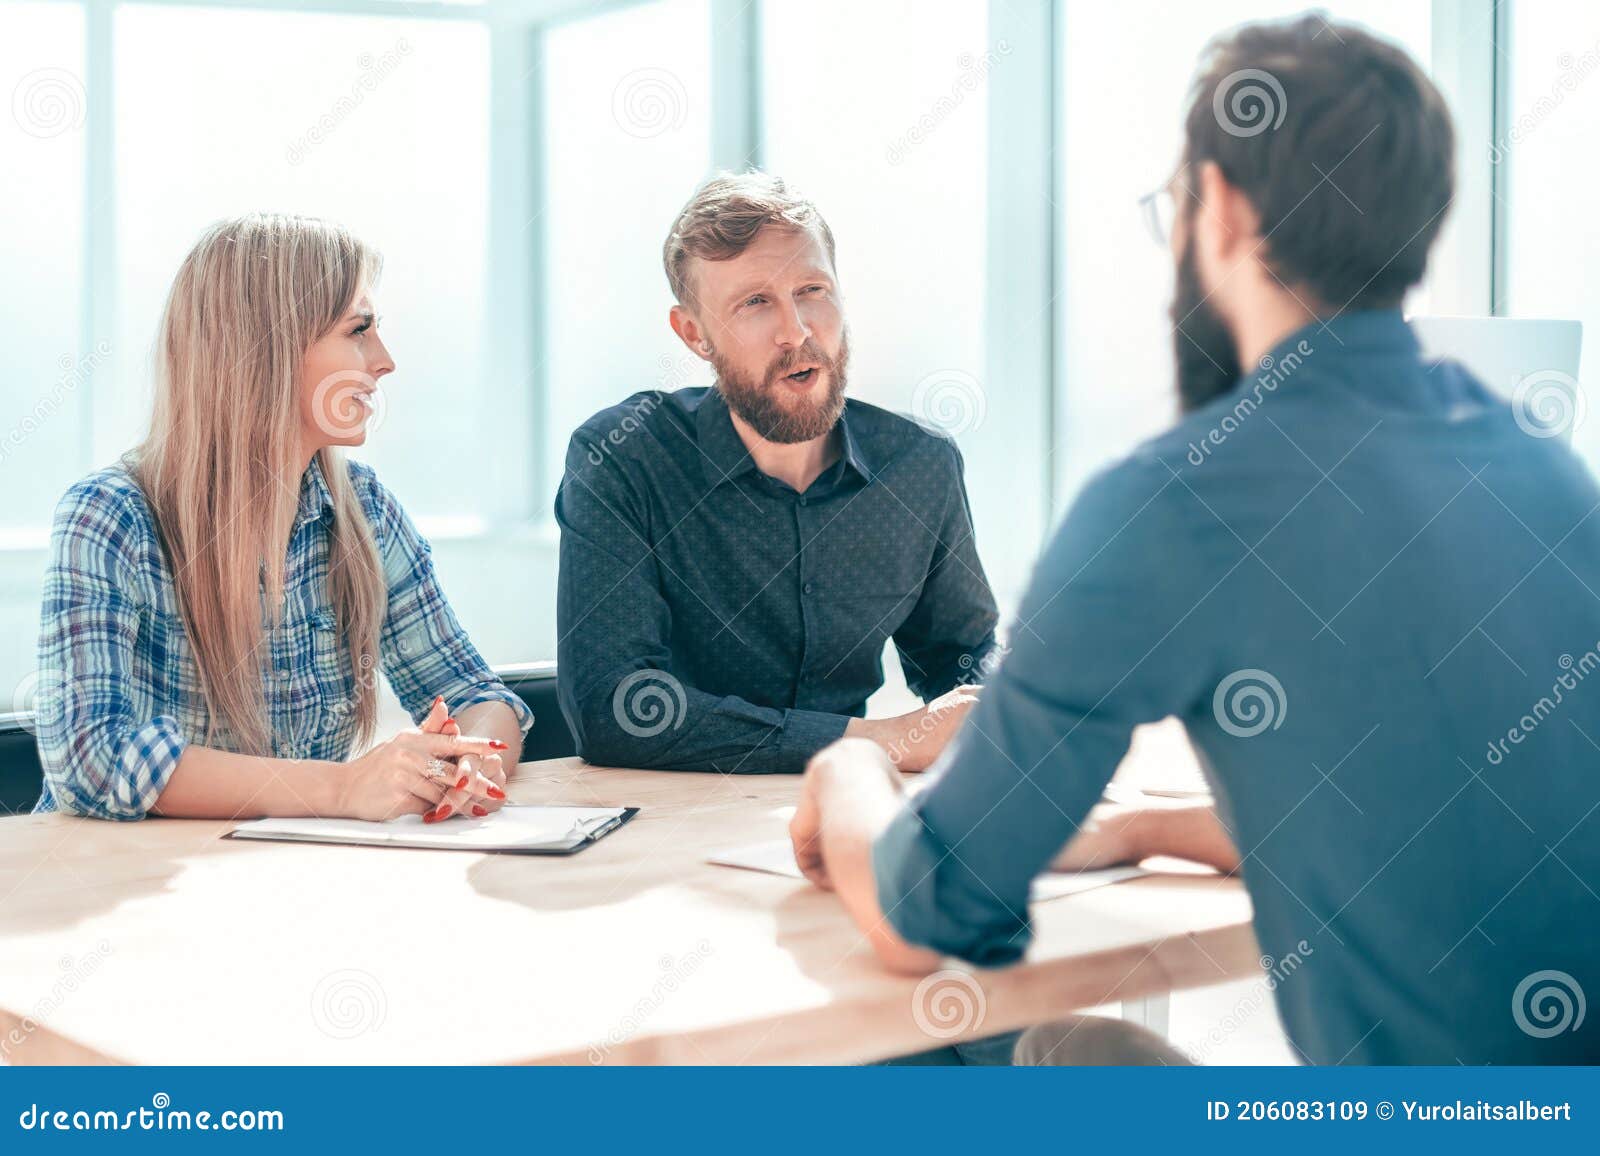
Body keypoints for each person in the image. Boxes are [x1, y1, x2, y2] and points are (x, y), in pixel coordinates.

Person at [790, 14, 1600, 1065]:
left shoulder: (1180, 502)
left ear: (1217, 207)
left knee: (1038, 1057)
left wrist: (843, 774)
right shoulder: (1545, 472)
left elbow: (928, 914)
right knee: (1090, 1055)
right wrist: (1140, 830)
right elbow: (1426, 810)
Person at [35, 213, 531, 823]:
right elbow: (90, 758)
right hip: (126, 891)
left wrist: (472, 759)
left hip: (291, 883)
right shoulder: (110, 517)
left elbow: (476, 694)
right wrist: (341, 789)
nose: (385, 361)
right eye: (359, 330)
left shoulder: (364, 510)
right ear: (266, 348)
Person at [555, 172, 999, 776]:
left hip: (845, 813)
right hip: (671, 819)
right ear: (694, 334)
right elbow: (614, 708)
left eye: (812, 289)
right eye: (754, 303)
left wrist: (1001, 710)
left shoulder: (920, 465)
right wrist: (872, 740)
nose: (797, 331)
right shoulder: (623, 459)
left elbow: (961, 654)